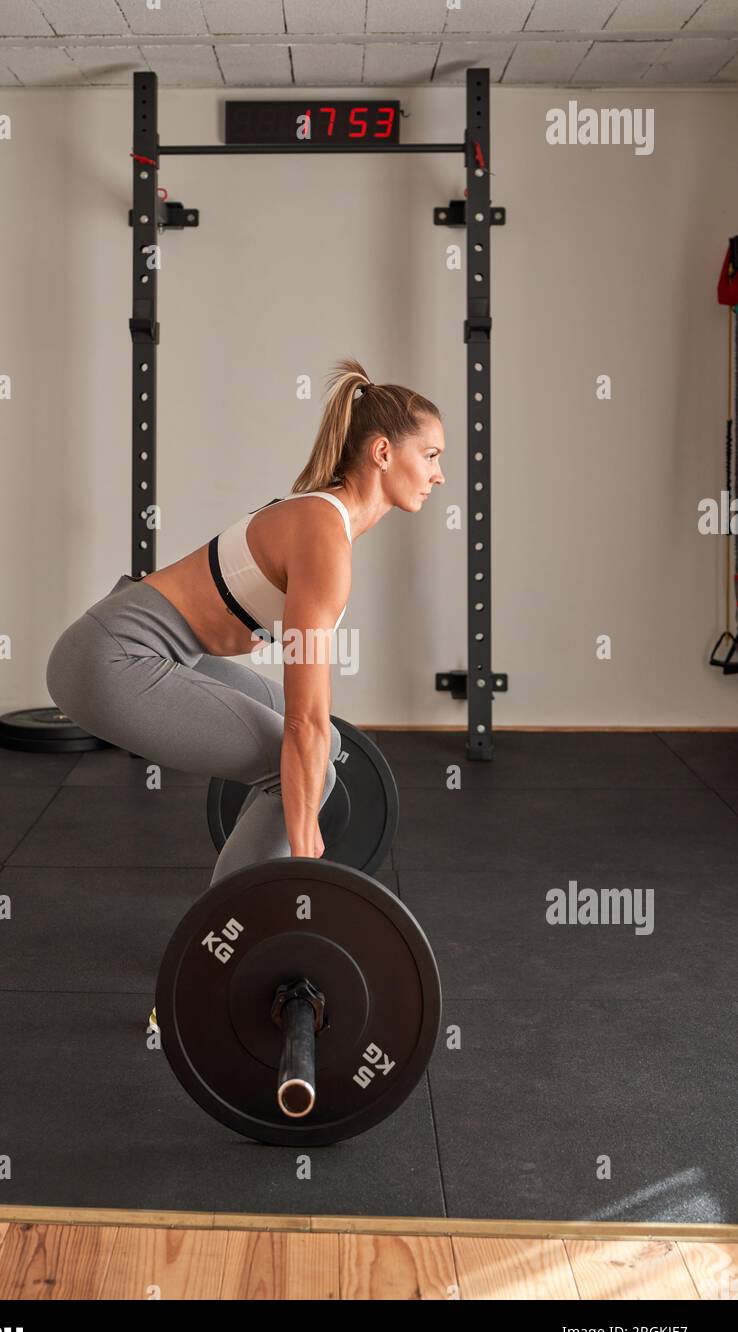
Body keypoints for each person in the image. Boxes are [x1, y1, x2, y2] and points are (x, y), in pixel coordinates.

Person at [45, 358, 445, 1031]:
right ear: (382, 452)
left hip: (148, 644)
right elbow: (300, 725)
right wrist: (304, 833)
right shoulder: (324, 537)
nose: (438, 474)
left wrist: (300, 821)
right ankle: (199, 975)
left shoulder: (323, 519)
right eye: (430, 454)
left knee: (328, 754)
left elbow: (315, 728)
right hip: (110, 659)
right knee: (296, 769)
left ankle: (253, 885)